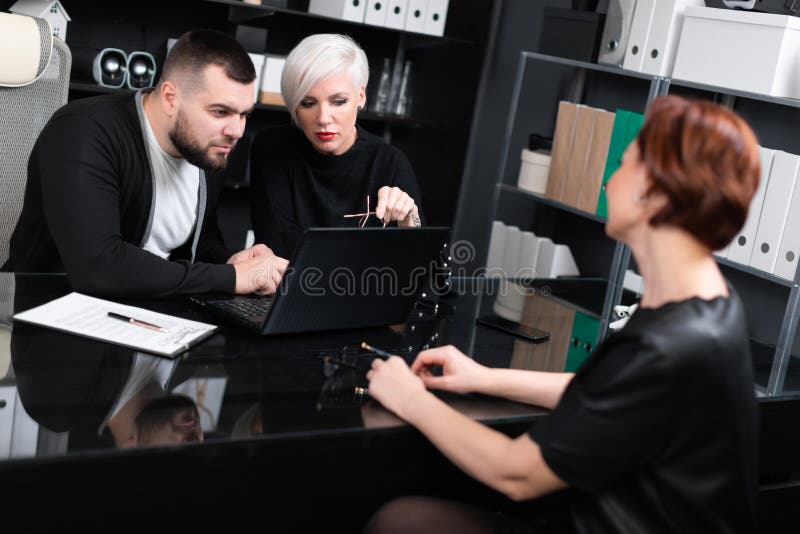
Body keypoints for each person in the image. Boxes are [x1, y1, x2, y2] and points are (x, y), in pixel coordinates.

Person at [364, 95, 761, 533]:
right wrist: (483, 377)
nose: (609, 182)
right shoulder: (711, 304)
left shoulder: (666, 346)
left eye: (623, 166)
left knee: (400, 522)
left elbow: (516, 474)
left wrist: (411, 399)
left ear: (655, 192)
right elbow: (610, 392)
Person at [2, 30, 287, 296]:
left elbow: (201, 242)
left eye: (243, 114)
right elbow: (99, 266)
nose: (236, 131)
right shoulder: (83, 130)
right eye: (220, 112)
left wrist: (234, 262)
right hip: (46, 306)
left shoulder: (208, 147)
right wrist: (231, 277)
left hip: (145, 311)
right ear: (170, 98)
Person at [250, 33, 425, 259]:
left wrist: (409, 221)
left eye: (339, 101)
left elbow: (424, 267)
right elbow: (276, 247)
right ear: (294, 106)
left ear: (361, 96)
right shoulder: (272, 148)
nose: (323, 118)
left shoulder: (390, 162)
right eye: (308, 103)